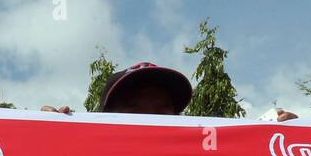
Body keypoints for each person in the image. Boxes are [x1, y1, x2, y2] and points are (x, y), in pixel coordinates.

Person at [43, 61, 297, 118]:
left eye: (162, 108)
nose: (150, 116)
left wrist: (279, 146)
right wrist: (37, 142)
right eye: (134, 107)